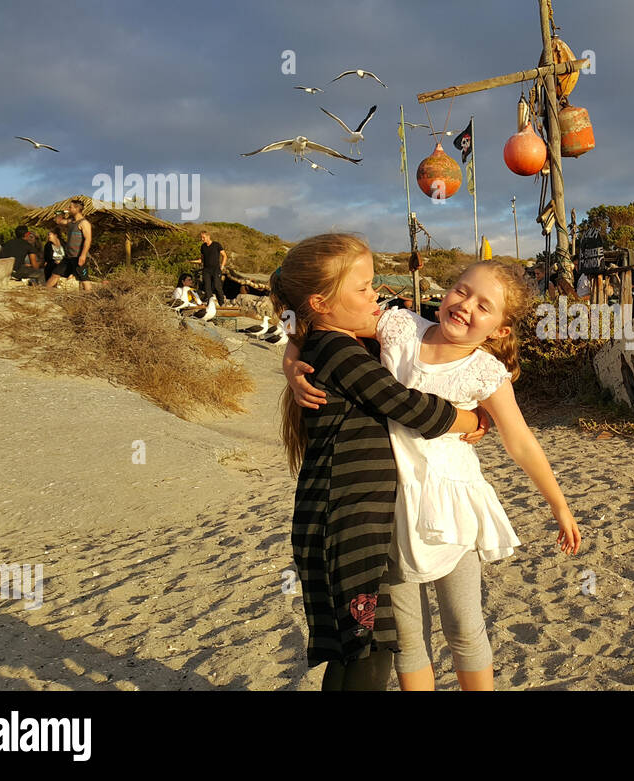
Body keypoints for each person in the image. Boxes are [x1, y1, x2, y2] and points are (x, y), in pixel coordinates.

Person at [284, 258, 581, 691]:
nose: (466, 306)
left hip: (451, 508)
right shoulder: (401, 326)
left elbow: (521, 442)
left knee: (465, 626)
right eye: (462, 291)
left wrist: (560, 505)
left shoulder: (486, 372)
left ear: (499, 329)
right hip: (389, 507)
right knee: (408, 638)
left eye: (484, 306)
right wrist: (291, 363)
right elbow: (318, 325)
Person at [269, 233, 489, 692]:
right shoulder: (335, 350)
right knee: (366, 651)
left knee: (362, 648)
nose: (376, 295)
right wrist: (473, 416)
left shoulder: (336, 342)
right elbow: (406, 404)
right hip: (345, 523)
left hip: (351, 519)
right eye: (364, 287)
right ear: (320, 302)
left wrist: (292, 347)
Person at [45, 199, 93, 290]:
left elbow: (88, 240)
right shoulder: (70, 221)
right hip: (68, 256)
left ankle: (91, 298)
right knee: (55, 274)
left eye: (70, 207)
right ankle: (43, 293)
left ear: (77, 208)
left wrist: (82, 256)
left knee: (84, 279)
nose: (69, 208)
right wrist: (61, 211)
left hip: (78, 256)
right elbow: (58, 221)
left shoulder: (84, 223)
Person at [192, 231, 227, 305]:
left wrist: (222, 266)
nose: (202, 239)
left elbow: (224, 255)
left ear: (208, 237)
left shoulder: (216, 245)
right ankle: (210, 303)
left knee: (217, 286)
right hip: (206, 270)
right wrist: (191, 261)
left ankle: (222, 303)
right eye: (201, 237)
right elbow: (201, 260)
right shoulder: (203, 247)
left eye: (203, 237)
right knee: (207, 288)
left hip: (216, 269)